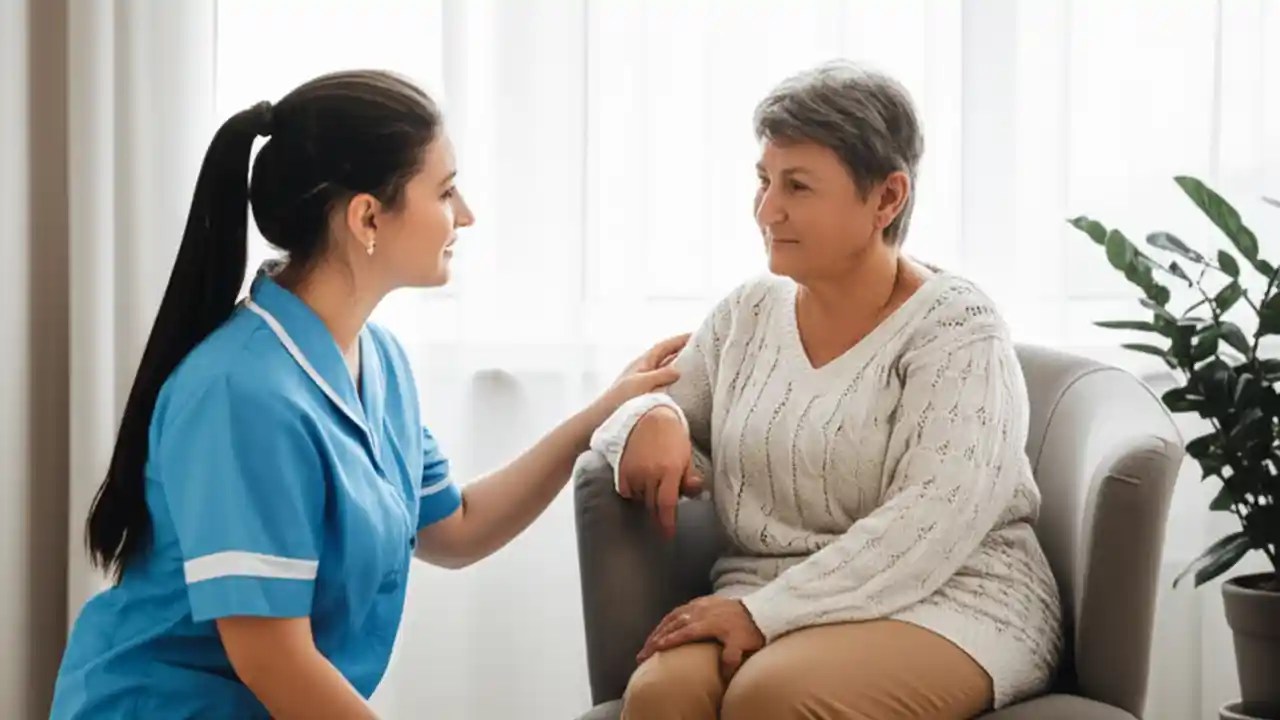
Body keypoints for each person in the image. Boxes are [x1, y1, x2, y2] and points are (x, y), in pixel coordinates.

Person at [50, 69, 687, 720]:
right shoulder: (239, 393)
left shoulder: (377, 362)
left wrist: (598, 416)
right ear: (367, 216)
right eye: (445, 192)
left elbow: (456, 526)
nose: (465, 215)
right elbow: (275, 662)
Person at [589, 62, 1063, 720]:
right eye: (763, 180)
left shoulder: (956, 328)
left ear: (886, 199)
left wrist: (764, 615)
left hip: (952, 597)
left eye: (798, 186)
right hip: (765, 589)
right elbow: (634, 405)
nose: (766, 209)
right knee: (660, 694)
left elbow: (931, 521)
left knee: (772, 697)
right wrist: (654, 416)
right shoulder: (747, 312)